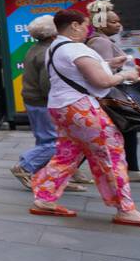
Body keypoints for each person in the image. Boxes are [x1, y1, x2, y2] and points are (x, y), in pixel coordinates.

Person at [29, 8, 140, 226]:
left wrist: (110, 64)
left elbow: (78, 72)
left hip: (59, 107)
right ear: (75, 25)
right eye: (86, 25)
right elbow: (101, 81)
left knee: (68, 152)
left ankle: (45, 198)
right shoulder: (75, 48)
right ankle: (125, 209)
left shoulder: (55, 47)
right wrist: (125, 74)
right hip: (80, 108)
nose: (88, 30)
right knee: (111, 151)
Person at [10, 15, 88, 193]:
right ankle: (25, 167)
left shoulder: (35, 48)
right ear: (54, 34)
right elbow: (47, 84)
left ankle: (53, 177)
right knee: (52, 142)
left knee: (46, 139)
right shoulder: (47, 52)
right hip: (42, 101)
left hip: (34, 100)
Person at [86, 0, 140, 183]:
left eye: (118, 21)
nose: (119, 25)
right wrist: (128, 74)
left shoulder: (104, 40)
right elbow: (103, 71)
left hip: (113, 93)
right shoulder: (101, 42)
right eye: (113, 22)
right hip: (112, 94)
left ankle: (132, 169)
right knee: (123, 128)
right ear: (101, 24)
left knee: (128, 128)